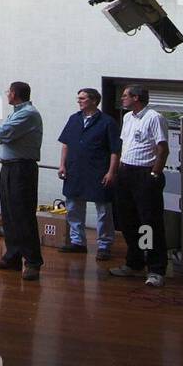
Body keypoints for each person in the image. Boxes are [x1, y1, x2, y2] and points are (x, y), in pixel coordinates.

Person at [108, 85, 169, 287]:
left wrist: (154, 174)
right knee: (128, 221)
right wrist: (116, 171)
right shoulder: (127, 118)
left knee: (148, 224)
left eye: (125, 96)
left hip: (145, 174)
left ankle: (155, 269)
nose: (122, 99)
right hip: (126, 173)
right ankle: (134, 263)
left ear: (136, 98)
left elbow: (162, 149)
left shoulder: (154, 117)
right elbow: (124, 145)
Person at [0, 81, 43, 281]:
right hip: (10, 167)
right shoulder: (17, 112)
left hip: (22, 168)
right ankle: (13, 258)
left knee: (23, 215)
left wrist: (0, 134)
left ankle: (33, 262)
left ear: (15, 94)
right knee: (9, 214)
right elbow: (4, 133)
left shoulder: (28, 113)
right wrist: (2, 135)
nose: (6, 95)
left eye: (8, 92)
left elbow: (1, 132)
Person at [57, 88, 121, 261]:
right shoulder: (74, 119)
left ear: (94, 100)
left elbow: (115, 150)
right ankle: (77, 242)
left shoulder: (107, 122)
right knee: (73, 207)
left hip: (98, 171)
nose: (79, 101)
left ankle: (104, 245)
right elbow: (65, 144)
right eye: (78, 98)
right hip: (75, 170)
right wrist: (62, 165)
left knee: (103, 210)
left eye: (83, 98)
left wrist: (111, 172)